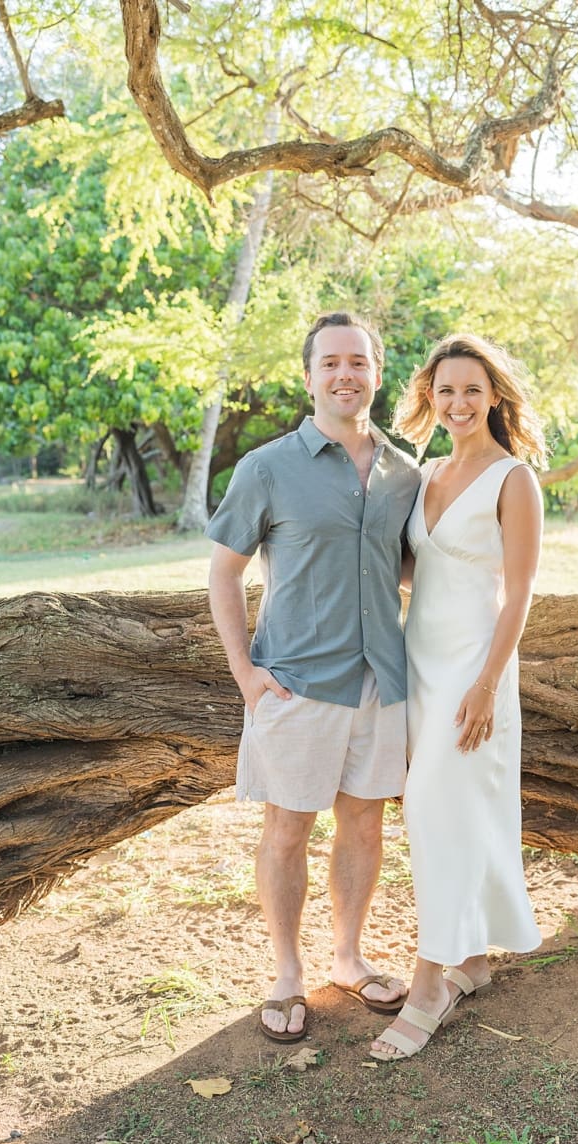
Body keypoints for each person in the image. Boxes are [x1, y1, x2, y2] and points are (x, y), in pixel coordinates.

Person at [206, 311, 420, 1043]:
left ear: (376, 373)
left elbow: (415, 571)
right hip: (295, 683)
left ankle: (348, 958)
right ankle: (288, 973)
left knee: (364, 822)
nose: (344, 375)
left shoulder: (405, 472)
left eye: (357, 362)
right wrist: (245, 675)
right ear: (309, 377)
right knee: (287, 828)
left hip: (380, 682)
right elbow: (225, 574)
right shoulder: (266, 467)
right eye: (330, 363)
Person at [370, 333, 547, 1061]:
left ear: (495, 397)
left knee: (442, 812)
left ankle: (428, 985)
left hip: (476, 670)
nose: (459, 401)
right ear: (429, 397)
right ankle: (472, 957)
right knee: (439, 814)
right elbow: (421, 573)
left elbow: (520, 592)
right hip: (419, 664)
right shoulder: (429, 471)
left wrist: (483, 687)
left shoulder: (514, 479)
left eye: (473, 389)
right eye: (446, 389)